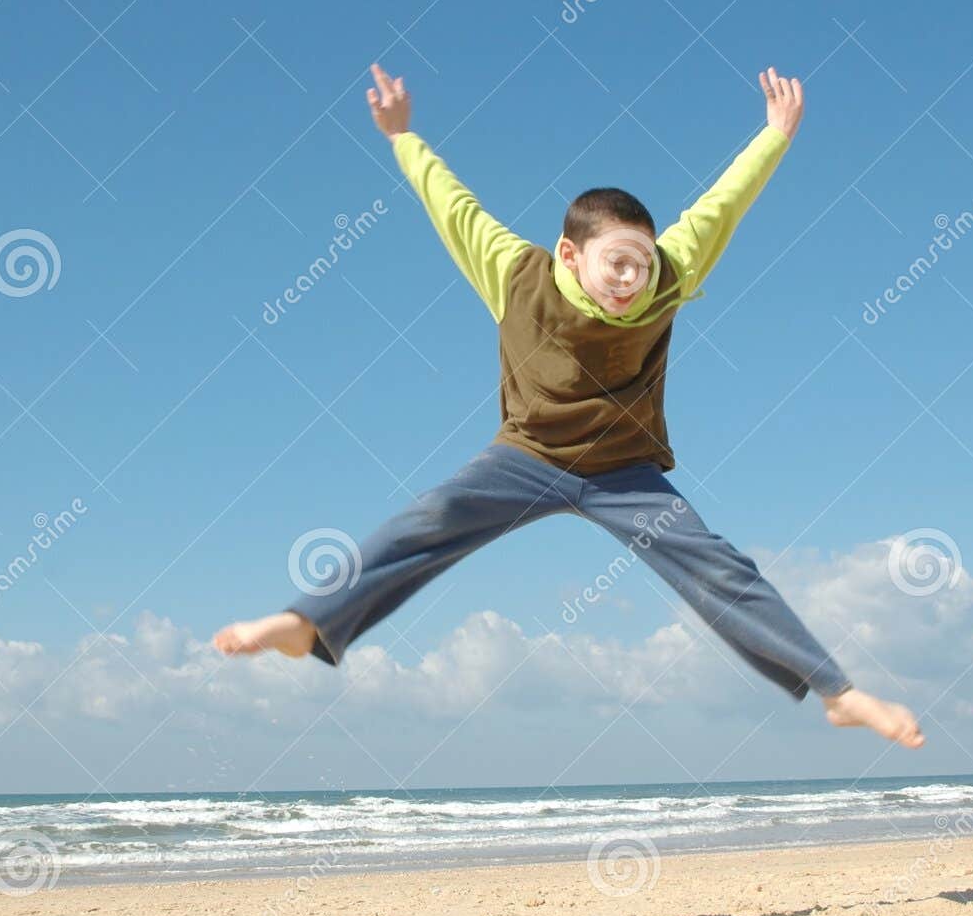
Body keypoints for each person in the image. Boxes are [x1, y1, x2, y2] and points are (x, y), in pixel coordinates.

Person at [215, 63, 923, 748]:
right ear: (570, 253)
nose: (632, 277)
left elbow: (722, 204)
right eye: (617, 260)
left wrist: (774, 135)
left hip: (624, 471)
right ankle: (306, 622)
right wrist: (404, 137)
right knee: (429, 518)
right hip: (525, 456)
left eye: (642, 263)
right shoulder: (517, 273)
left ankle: (837, 691)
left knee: (714, 561)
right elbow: (452, 203)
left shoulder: (667, 277)